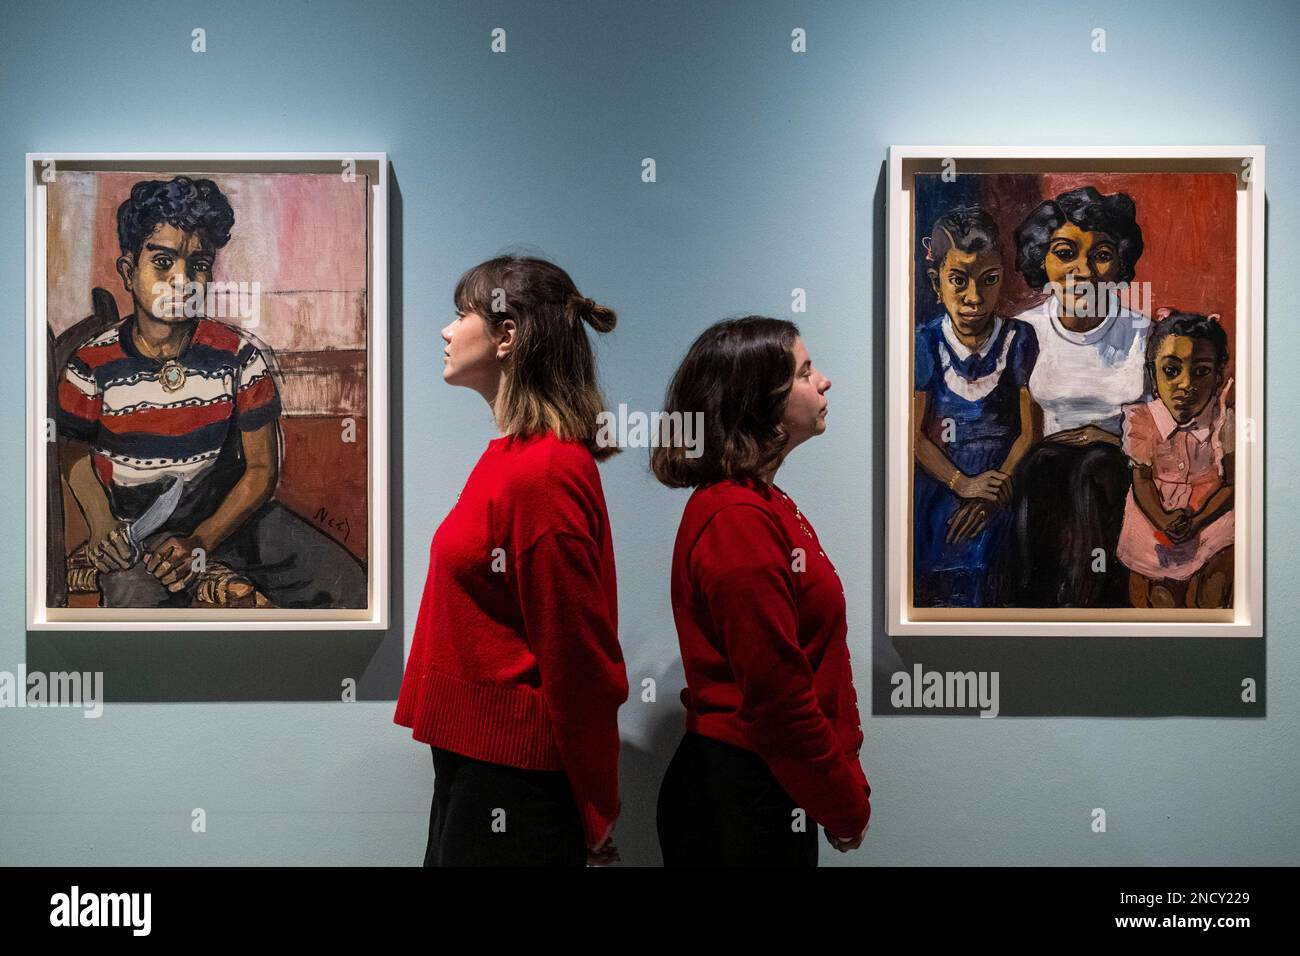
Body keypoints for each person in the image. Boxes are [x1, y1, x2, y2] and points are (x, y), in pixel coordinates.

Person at [394, 255, 629, 867]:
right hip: (477, 768)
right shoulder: (510, 457)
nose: (446, 330)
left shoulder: (544, 471)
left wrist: (595, 807)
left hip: (513, 784)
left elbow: (579, 654)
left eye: (461, 314)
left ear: (507, 335)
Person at [56, 175, 367, 608]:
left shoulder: (239, 357)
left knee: (347, 583)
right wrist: (101, 520)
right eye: (162, 261)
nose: (181, 280)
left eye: (198, 264)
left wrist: (202, 540)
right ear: (128, 272)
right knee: (136, 610)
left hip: (231, 516)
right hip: (138, 527)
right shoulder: (91, 364)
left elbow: (261, 470)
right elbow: (71, 449)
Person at [652, 316, 871, 867]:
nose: (823, 381)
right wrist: (842, 803)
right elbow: (778, 698)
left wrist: (844, 775)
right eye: (804, 372)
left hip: (765, 783)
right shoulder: (736, 519)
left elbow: (820, 663)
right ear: (761, 403)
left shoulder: (766, 503)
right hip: (740, 798)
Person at [1002, 185, 1148, 607]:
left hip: (1116, 472)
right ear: (1042, 260)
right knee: (1047, 467)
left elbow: (1156, 429)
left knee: (1093, 468)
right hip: (1043, 472)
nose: (1082, 270)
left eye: (1100, 255)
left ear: (1120, 263)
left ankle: (1091, 606)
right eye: (1065, 253)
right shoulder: (1024, 331)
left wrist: (1106, 439)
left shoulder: (1141, 334)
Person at [913, 206, 1039, 607]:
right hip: (943, 484)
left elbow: (1029, 432)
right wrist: (963, 484)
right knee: (939, 564)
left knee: (1000, 572)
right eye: (958, 280)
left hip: (1003, 485)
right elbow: (913, 437)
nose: (974, 297)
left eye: (989, 280)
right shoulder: (924, 342)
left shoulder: (1019, 339)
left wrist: (991, 490)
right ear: (935, 282)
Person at [1117, 310, 1234, 608]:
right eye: (1171, 371)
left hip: (1211, 517)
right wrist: (1163, 519)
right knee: (1159, 597)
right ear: (1153, 376)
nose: (1185, 384)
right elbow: (1142, 481)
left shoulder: (1224, 421)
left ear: (1218, 377)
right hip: (1155, 516)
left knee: (1213, 588)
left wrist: (1197, 521)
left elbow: (1232, 485)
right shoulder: (1142, 420)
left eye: (1201, 372)